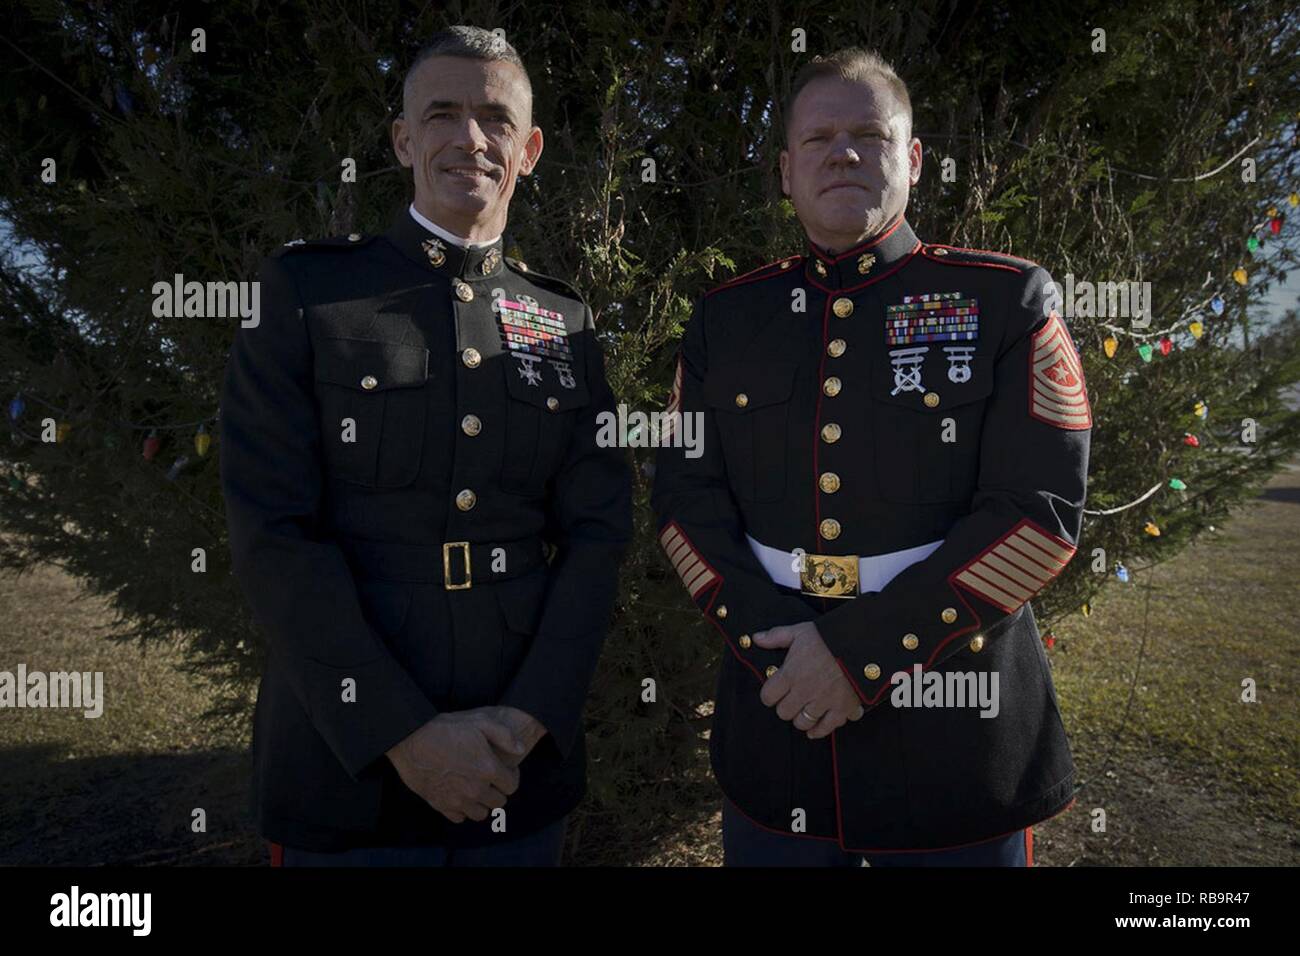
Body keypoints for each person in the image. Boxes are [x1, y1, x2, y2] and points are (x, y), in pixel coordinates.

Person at [651, 47, 1091, 866]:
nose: (843, 152)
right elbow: (685, 501)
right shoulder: (727, 320)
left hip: (956, 731)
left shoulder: (1004, 300)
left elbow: (1040, 515)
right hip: (774, 723)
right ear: (786, 171)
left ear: (914, 160)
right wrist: (779, 653)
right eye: (818, 139)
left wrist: (857, 657)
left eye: (870, 135)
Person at [220, 25, 631, 866]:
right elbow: (273, 535)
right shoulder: (308, 294)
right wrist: (402, 734)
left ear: (531, 148)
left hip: (518, 763)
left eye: (496, 118)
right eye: (442, 114)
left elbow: (599, 533)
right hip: (349, 759)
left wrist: (530, 716)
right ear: (404, 139)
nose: (470, 139)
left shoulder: (565, 321)